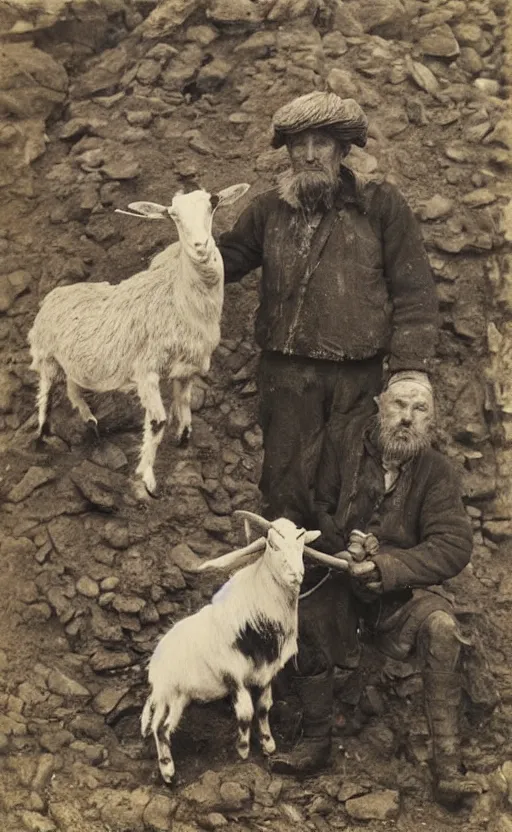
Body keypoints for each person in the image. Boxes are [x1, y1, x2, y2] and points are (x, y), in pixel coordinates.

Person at [218, 90, 439, 526]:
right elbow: (225, 262)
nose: (309, 154)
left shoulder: (380, 206)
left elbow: (414, 289)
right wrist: (192, 247)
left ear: (342, 149)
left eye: (321, 143)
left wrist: (410, 367)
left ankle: (343, 584)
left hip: (358, 376)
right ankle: (285, 580)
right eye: (298, 144)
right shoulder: (268, 211)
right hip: (287, 375)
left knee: (353, 483)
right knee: (285, 485)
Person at [269, 372, 482, 807]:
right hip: (336, 579)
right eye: (399, 405)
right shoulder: (340, 444)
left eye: (420, 410)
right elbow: (308, 503)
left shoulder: (437, 472)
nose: (407, 418)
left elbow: (452, 544)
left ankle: (447, 768)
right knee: (305, 613)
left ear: (432, 422)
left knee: (441, 627)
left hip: (398, 593)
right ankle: (316, 742)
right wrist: (340, 542)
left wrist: (386, 566)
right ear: (379, 405)